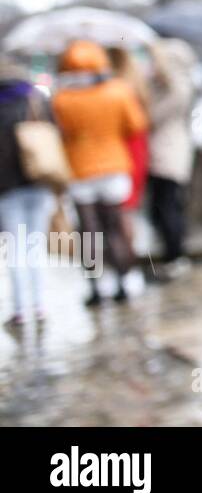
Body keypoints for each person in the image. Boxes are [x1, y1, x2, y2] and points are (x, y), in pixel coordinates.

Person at [51, 40, 148, 306]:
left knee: (89, 231)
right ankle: (125, 281)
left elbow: (59, 133)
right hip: (114, 166)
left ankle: (95, 287)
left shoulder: (62, 98)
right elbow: (136, 124)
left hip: (79, 170)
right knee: (116, 226)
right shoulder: (117, 91)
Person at [0, 55, 57, 327]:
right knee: (36, 246)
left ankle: (21, 309)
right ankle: (40, 305)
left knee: (16, 248)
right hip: (39, 179)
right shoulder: (36, 99)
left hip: (7, 187)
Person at [145, 39, 198, 279]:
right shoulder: (174, 84)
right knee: (165, 205)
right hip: (167, 151)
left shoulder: (177, 87)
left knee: (168, 206)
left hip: (168, 152)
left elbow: (154, 117)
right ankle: (173, 254)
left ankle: (175, 256)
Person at [105, 45, 150, 262]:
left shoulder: (116, 90)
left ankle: (123, 261)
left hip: (120, 152)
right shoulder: (136, 86)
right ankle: (127, 261)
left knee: (118, 213)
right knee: (126, 210)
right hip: (135, 151)